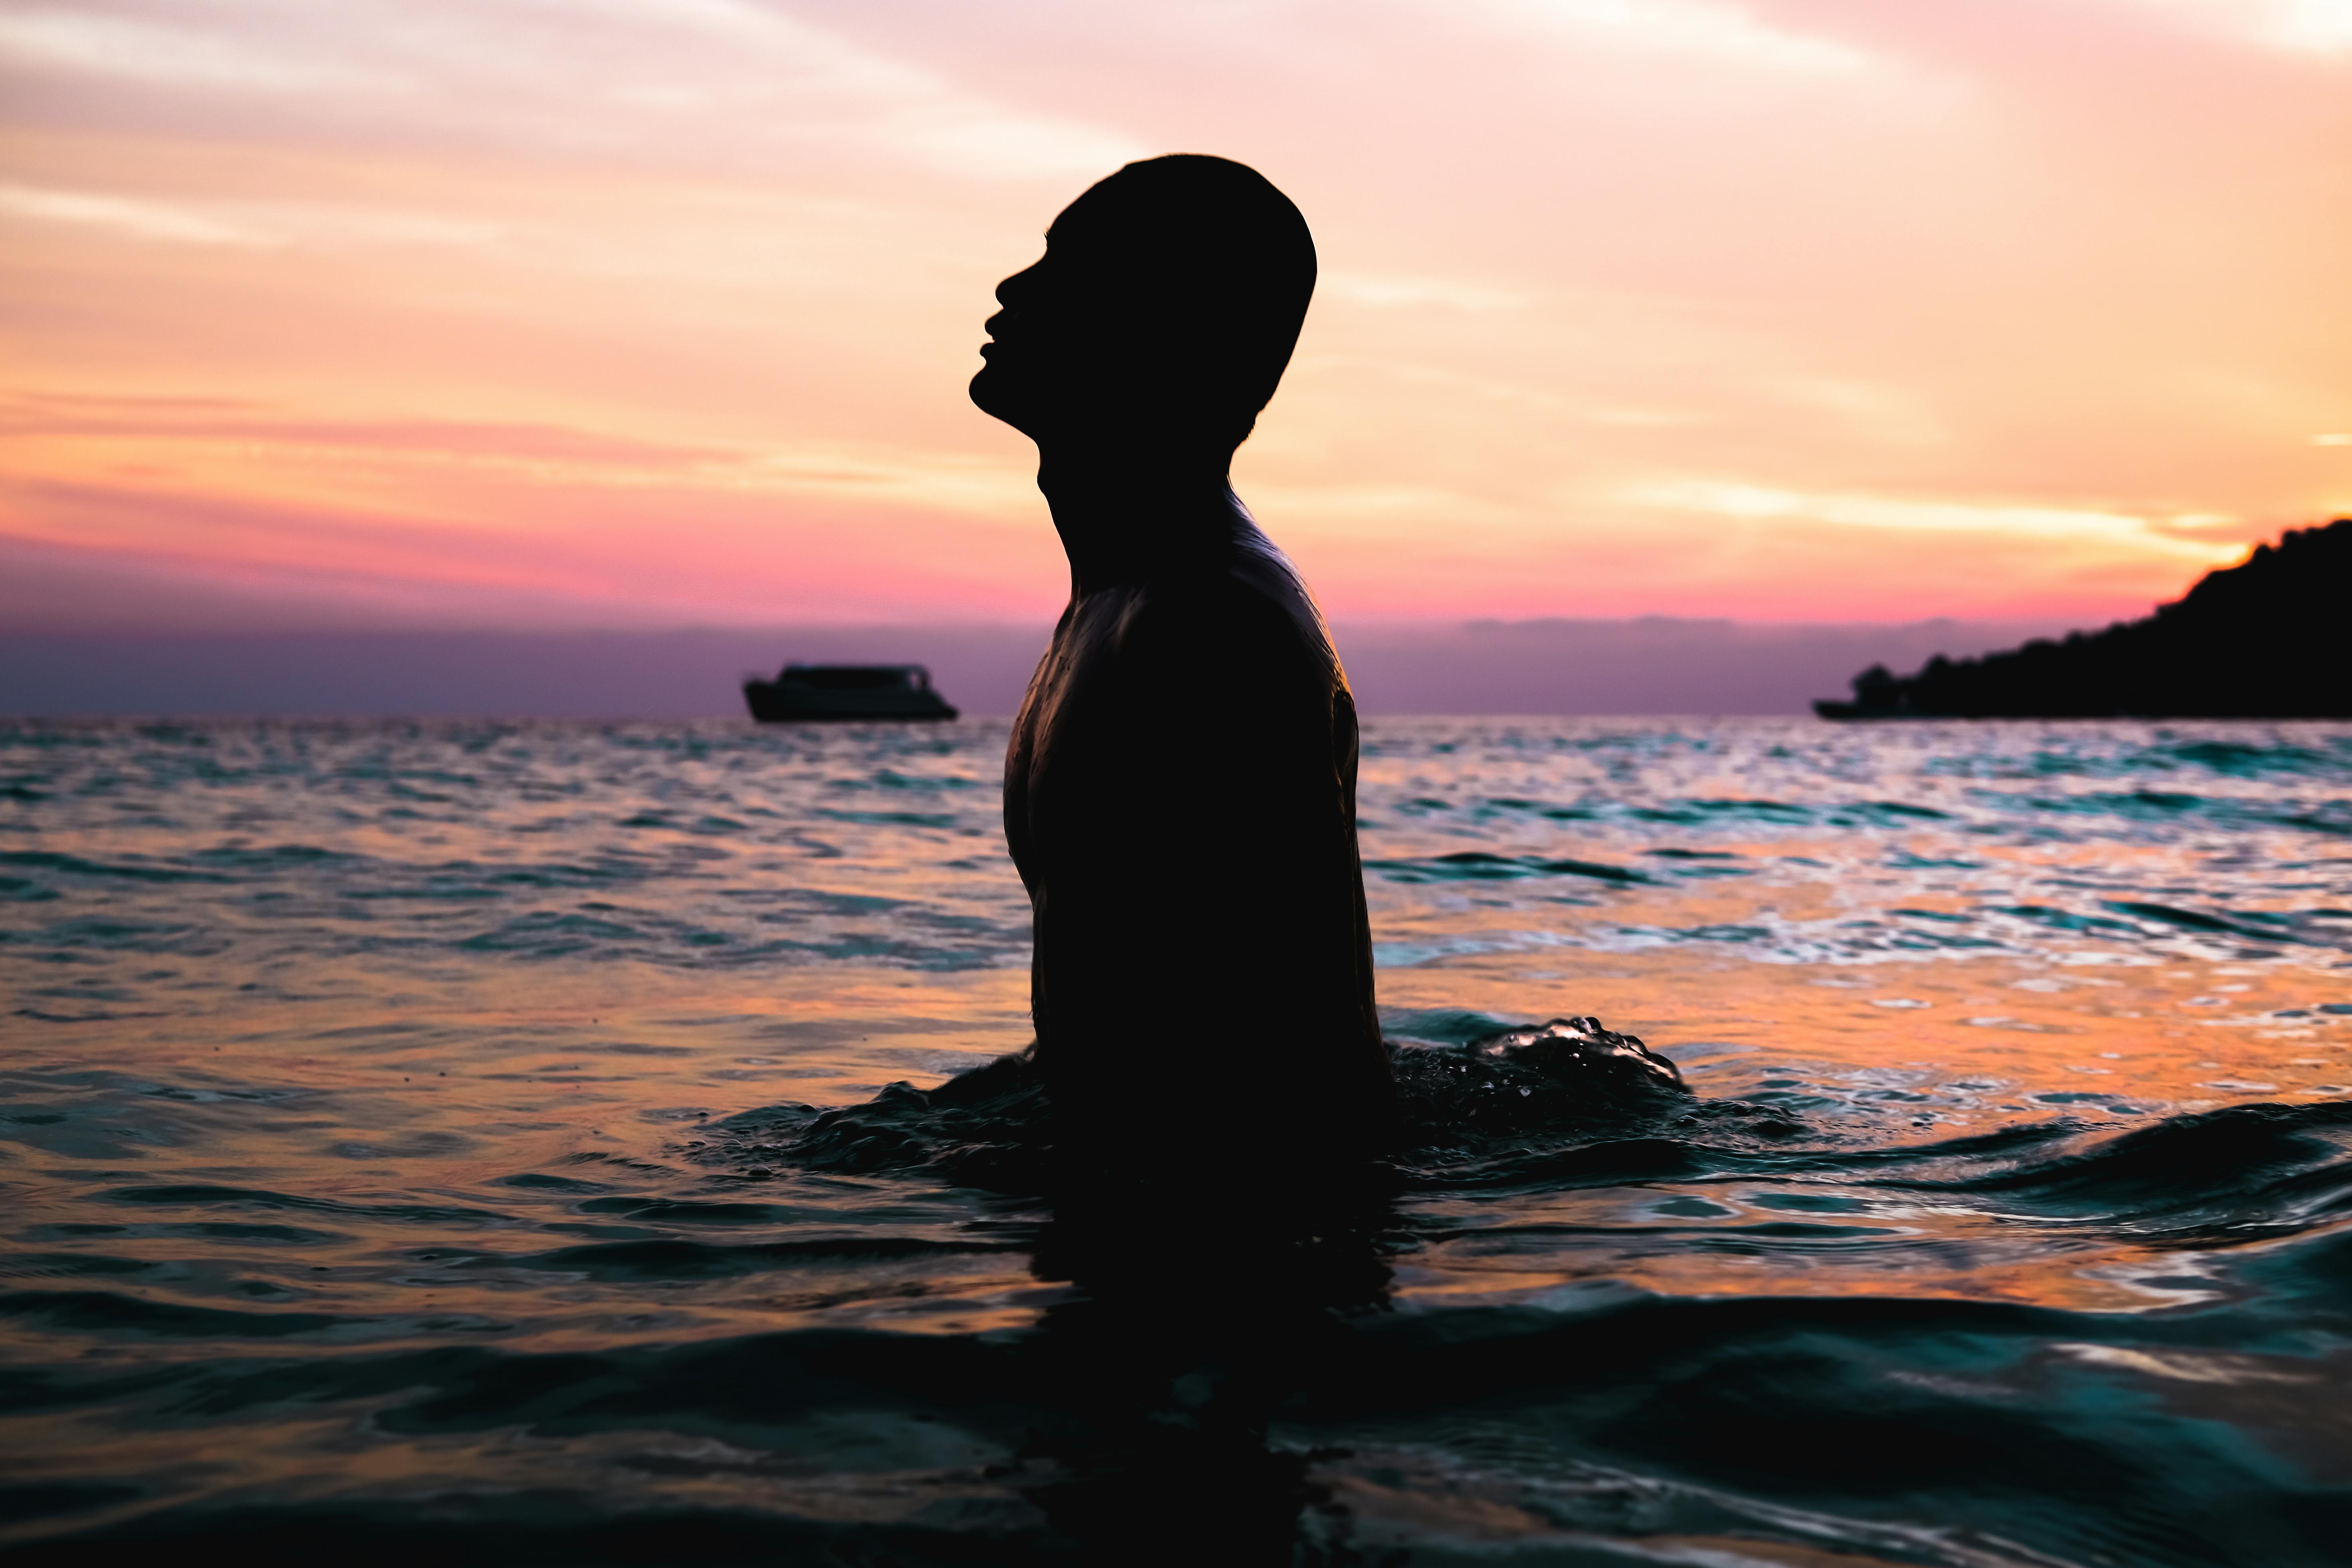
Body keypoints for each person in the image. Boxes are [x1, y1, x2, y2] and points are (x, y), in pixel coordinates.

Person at [970, 154, 1394, 1177]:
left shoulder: (1203, 628)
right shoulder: (1122, 603)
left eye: (1063, 269)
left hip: (1218, 1272)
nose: (1010, 290)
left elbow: (1273, 1075)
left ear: (1161, 332)